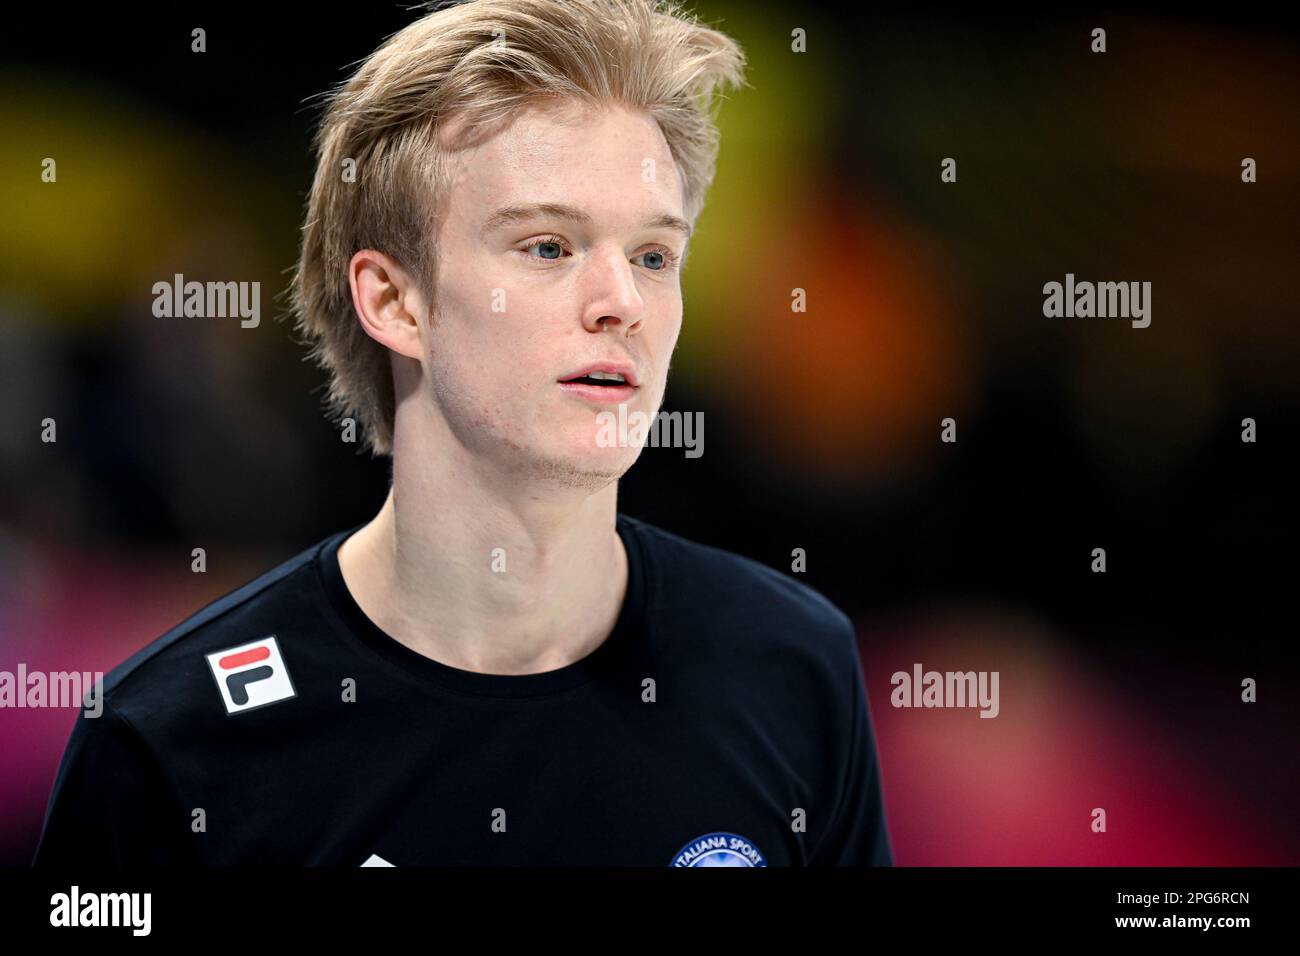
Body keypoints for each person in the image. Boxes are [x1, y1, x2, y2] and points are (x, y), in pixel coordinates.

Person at [33, 0, 892, 867]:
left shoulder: (792, 666)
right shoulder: (171, 744)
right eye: (549, 247)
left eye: (652, 256)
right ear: (394, 301)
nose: (622, 304)